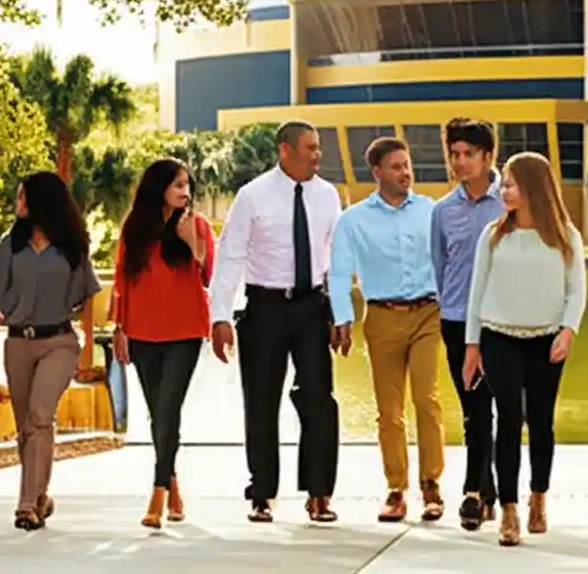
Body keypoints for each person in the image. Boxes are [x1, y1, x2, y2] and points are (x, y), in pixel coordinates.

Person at [208, 121, 343, 524]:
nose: (317, 155)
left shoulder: (327, 196)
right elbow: (230, 255)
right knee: (261, 401)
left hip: (312, 308)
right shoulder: (253, 196)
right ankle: (262, 493)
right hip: (265, 307)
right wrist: (220, 316)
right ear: (286, 150)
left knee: (319, 399)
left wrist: (340, 313)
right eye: (310, 147)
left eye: (318, 147)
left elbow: (336, 258)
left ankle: (319, 494)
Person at [462, 152, 586, 547]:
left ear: (533, 187)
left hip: (546, 339)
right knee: (508, 418)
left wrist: (567, 330)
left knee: (541, 421)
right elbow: (476, 292)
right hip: (499, 336)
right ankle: (509, 509)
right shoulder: (493, 235)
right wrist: (472, 347)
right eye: (503, 183)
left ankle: (538, 497)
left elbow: (576, 289)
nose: (503, 190)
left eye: (510, 184)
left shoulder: (565, 236)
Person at [0, 172, 101, 530]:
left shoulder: (72, 246)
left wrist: (88, 352)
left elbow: (87, 296)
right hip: (18, 343)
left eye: (22, 196)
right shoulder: (11, 244)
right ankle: (40, 495)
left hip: (58, 342)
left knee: (40, 416)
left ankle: (26, 505)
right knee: (27, 427)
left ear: (40, 201)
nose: (17, 204)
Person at [329, 137, 445, 523]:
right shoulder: (353, 220)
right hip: (382, 317)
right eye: (396, 167)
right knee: (389, 410)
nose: (405, 173)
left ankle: (431, 483)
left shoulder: (431, 211)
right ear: (377, 172)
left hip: (428, 313)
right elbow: (340, 274)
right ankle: (397, 488)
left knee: (426, 399)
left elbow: (450, 259)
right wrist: (342, 318)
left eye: (407, 165)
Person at [111, 159, 216, 529]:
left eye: (187, 185)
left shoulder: (197, 225)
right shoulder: (135, 227)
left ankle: (157, 491)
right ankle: (172, 482)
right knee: (158, 414)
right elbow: (122, 279)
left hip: (185, 331)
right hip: (142, 331)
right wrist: (119, 327)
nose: (185, 192)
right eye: (177, 185)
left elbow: (209, 275)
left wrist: (191, 243)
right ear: (159, 189)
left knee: (170, 409)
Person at [431, 117, 503, 531]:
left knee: (505, 410)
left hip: (506, 322)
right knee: (475, 410)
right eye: (454, 154)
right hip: (458, 321)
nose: (459, 162)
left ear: (488, 156)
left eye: (468, 154)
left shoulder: (512, 202)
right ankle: (475, 492)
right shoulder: (443, 211)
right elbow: (440, 268)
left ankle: (492, 491)